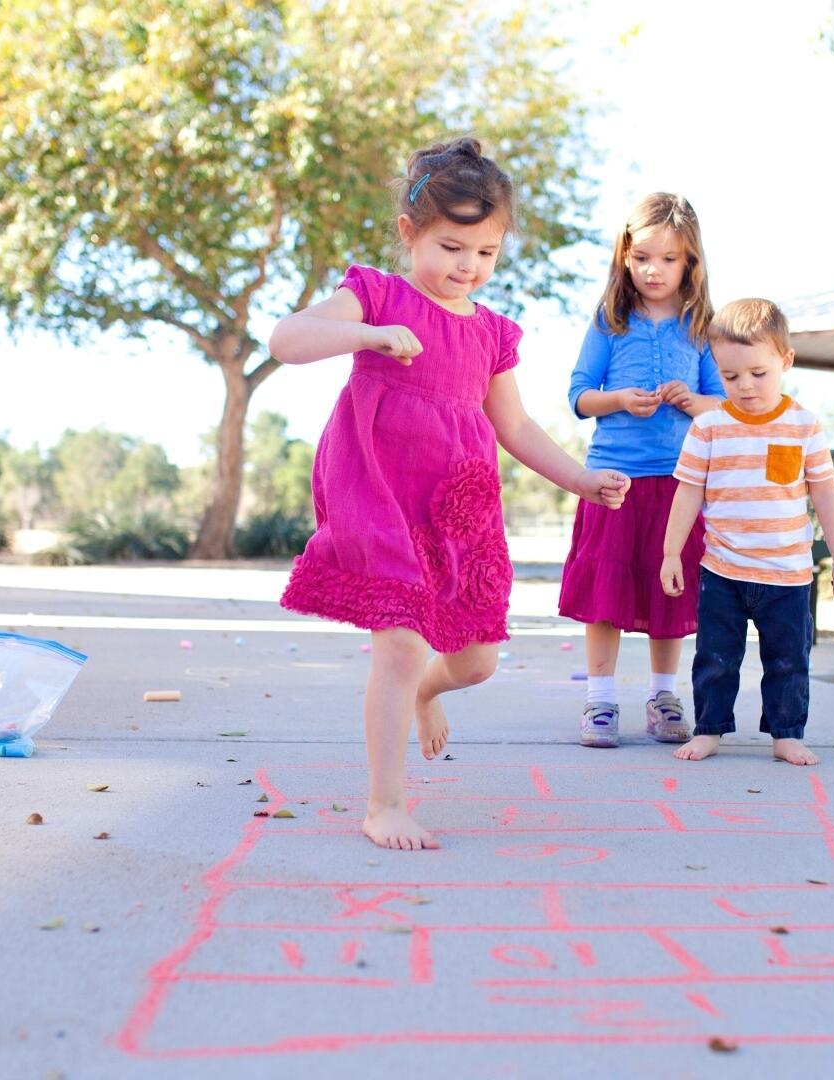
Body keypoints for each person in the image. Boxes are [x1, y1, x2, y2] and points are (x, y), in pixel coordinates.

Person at [270, 137, 631, 851]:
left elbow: (515, 426)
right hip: (379, 491)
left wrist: (581, 479)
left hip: (458, 504)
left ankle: (427, 692)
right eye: (451, 247)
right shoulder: (378, 295)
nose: (468, 266)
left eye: (486, 252)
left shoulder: (492, 333)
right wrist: (369, 335)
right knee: (401, 644)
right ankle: (384, 805)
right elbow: (288, 339)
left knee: (475, 662)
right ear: (410, 233)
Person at [659, 298, 834, 766]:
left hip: (787, 574)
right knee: (715, 658)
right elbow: (687, 493)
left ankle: (786, 734)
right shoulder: (709, 427)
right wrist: (671, 554)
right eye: (730, 376)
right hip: (723, 570)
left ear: (785, 361)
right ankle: (710, 729)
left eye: (758, 373)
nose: (745, 385)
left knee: (788, 659)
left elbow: (825, 494)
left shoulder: (803, 426)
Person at [561, 193, 723, 749]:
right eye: (643, 258)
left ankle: (663, 695)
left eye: (668, 259)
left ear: (689, 263)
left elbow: (724, 403)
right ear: (625, 258)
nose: (654, 270)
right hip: (614, 480)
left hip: (679, 484)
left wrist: (692, 401)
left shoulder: (700, 327)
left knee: (668, 591)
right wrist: (620, 399)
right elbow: (579, 395)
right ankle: (600, 700)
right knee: (606, 590)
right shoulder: (610, 321)